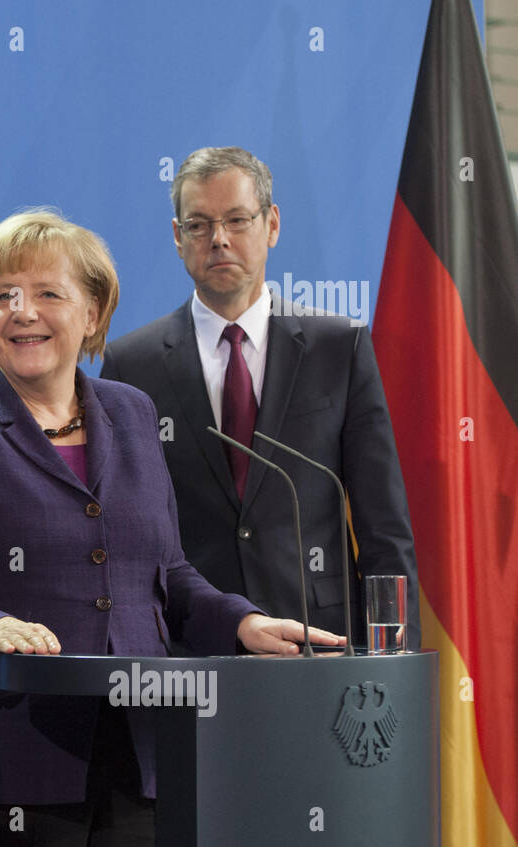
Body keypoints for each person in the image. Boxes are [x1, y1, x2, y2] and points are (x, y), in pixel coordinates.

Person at [0, 209, 342, 847]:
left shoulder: (131, 411)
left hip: (137, 757)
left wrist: (243, 623)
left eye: (46, 294)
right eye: (2, 295)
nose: (21, 311)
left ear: (93, 313)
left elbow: (167, 573)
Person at [100, 147, 418, 648]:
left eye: (237, 220)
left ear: (271, 225)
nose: (219, 239)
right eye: (199, 225)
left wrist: (394, 660)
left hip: (322, 641)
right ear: (178, 238)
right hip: (192, 646)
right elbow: (128, 535)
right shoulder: (130, 364)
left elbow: (384, 528)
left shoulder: (340, 346)